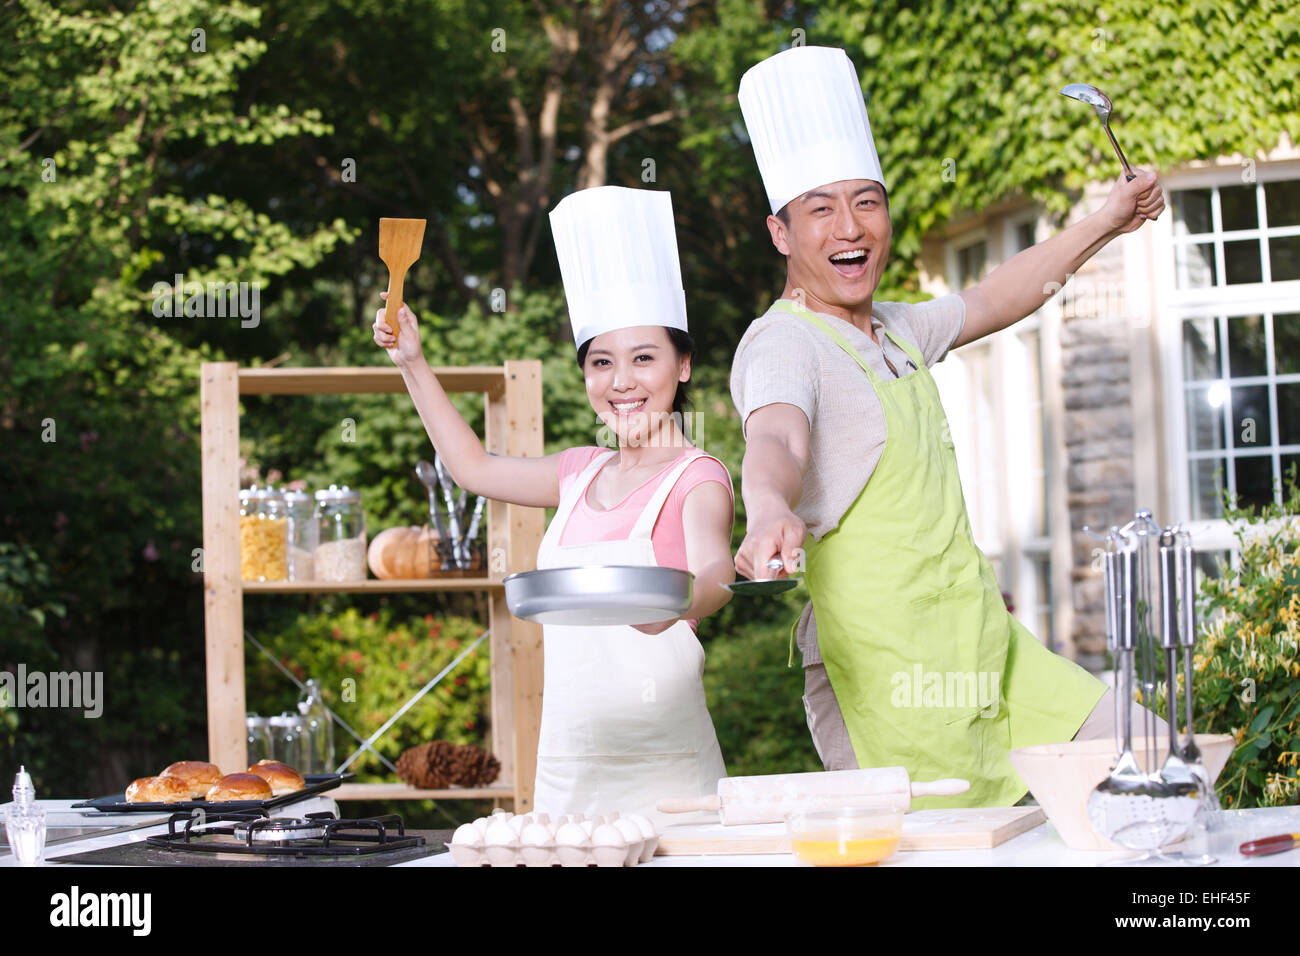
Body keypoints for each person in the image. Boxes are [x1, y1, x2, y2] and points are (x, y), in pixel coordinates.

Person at [730, 46, 1167, 808]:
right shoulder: (783, 343)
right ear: (781, 233)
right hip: (890, 673)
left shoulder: (896, 331)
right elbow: (776, 437)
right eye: (821, 208)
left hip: (987, 651)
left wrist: (1107, 221)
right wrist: (767, 507)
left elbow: (1002, 294)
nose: (850, 227)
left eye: (867, 201)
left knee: (1154, 759)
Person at [374, 185, 734, 823]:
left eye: (643, 358)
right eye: (601, 363)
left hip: (668, 777)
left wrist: (673, 604)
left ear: (682, 366)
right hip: (569, 769)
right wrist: (413, 363)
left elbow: (717, 574)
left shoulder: (697, 477)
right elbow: (473, 468)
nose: (621, 382)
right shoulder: (576, 471)